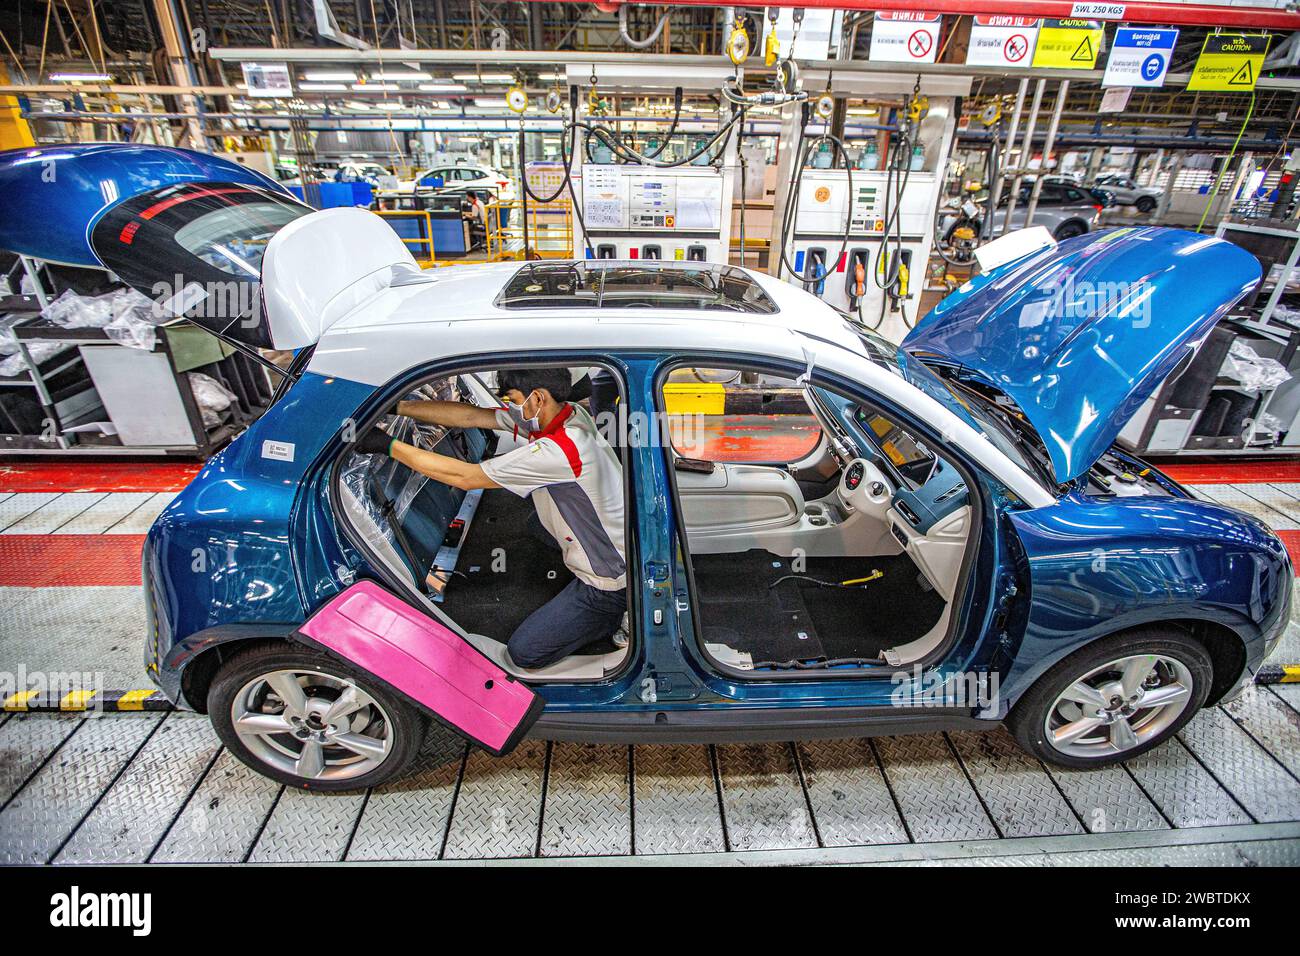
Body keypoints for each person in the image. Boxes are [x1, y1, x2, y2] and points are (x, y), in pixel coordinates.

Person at [354, 368, 626, 669]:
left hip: (607, 582)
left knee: (525, 653)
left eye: (512, 400)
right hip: (617, 540)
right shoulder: (567, 414)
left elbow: (465, 477)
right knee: (535, 525)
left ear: (537, 398)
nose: (508, 406)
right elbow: (472, 416)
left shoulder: (561, 450)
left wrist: (387, 446)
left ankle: (615, 614)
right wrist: (396, 406)